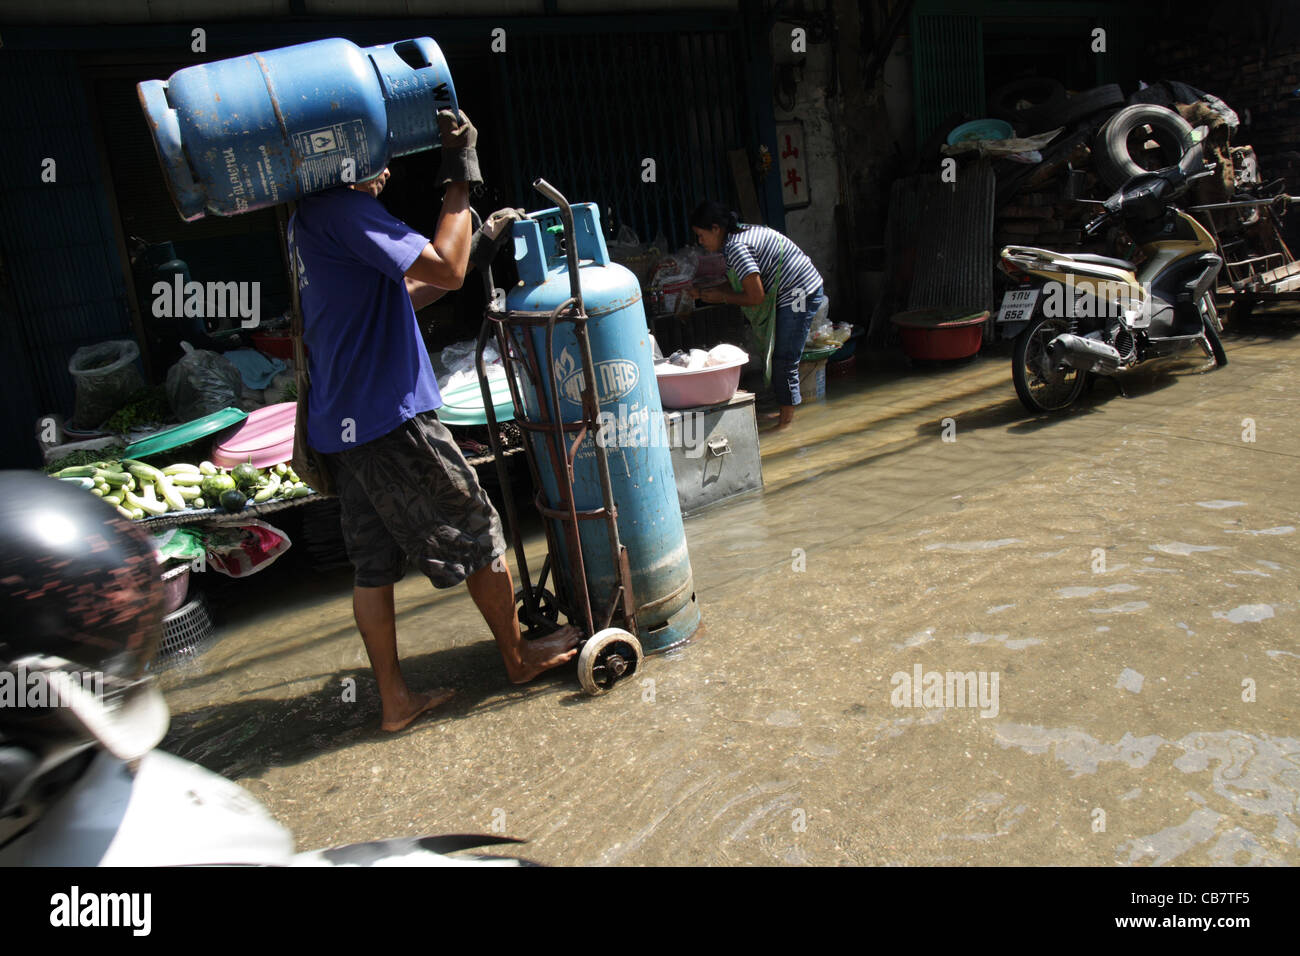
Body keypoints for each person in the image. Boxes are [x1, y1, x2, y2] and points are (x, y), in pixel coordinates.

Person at [287, 110, 578, 732]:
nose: (386, 170)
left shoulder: (306, 218)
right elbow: (442, 267)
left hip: (343, 423)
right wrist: (460, 177)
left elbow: (417, 287)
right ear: (341, 161)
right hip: (388, 413)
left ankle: (395, 701)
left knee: (372, 563)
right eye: (374, 159)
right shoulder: (344, 210)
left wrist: (471, 254)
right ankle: (518, 657)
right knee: (478, 528)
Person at [687, 201, 827, 428]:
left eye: (701, 235)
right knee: (780, 356)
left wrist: (721, 297)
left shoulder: (736, 247)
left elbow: (755, 296)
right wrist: (707, 292)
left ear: (716, 228)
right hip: (790, 289)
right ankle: (785, 411)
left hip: (801, 291)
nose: (700, 242)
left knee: (784, 358)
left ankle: (786, 424)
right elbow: (741, 283)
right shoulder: (736, 237)